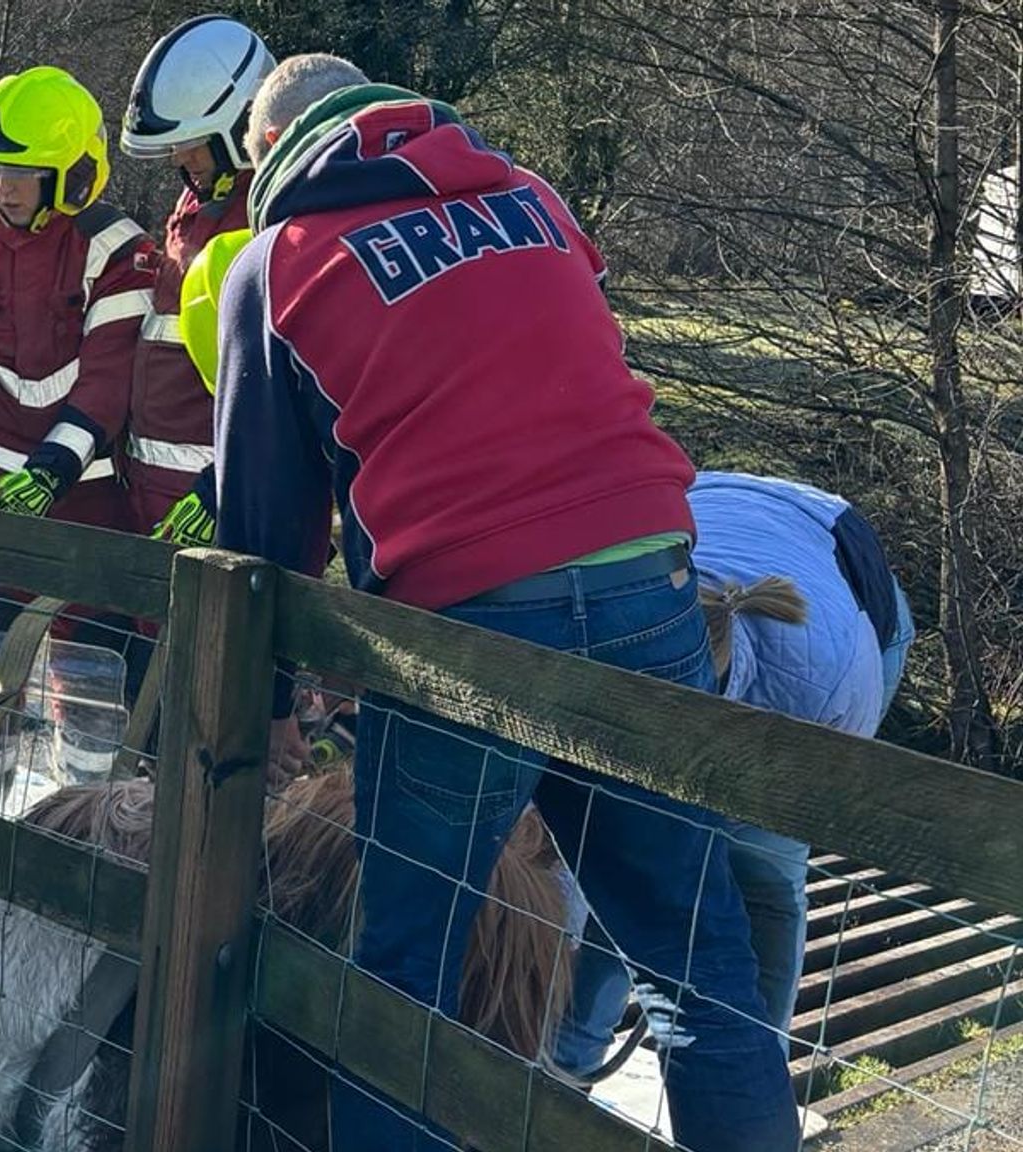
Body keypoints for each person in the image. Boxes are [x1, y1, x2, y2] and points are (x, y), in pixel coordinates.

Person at [210, 60, 803, 1151]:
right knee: (695, 971)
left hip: (466, 619)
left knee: (405, 988)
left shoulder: (277, 262)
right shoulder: (532, 199)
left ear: (268, 156)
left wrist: (273, 694)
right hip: (650, 588)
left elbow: (260, 524)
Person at [553, 472, 915, 1078]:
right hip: (710, 501)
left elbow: (814, 818)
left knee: (766, 876)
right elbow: (579, 852)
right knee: (634, 863)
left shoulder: (824, 684)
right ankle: (567, 1060)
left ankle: (754, 1078)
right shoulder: (606, 644)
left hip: (848, 580)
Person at [0, 64, 153, 535]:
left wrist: (51, 469)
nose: (5, 188)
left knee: (83, 610)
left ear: (73, 174)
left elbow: (108, 384)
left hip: (86, 484)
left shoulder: (121, 252)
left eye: (23, 172)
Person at [117, 14, 273, 537]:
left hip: (219, 489)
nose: (181, 156)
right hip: (150, 476)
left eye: (195, 141)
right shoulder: (198, 199)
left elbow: (274, 379)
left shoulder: (266, 216)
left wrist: (224, 486)